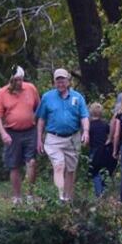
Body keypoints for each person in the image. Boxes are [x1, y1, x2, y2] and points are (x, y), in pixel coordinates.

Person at [36, 68, 91, 203]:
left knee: (71, 169)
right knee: (59, 165)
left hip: (73, 137)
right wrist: (39, 139)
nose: (60, 83)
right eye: (57, 81)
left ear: (68, 81)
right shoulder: (47, 97)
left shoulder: (78, 98)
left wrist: (86, 132)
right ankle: (60, 197)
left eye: (63, 80)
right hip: (53, 138)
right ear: (54, 82)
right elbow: (41, 119)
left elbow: (84, 117)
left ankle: (68, 199)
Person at [0, 66, 41, 204]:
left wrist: (39, 128)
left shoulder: (31, 89)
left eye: (21, 79)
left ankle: (29, 195)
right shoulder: (2, 93)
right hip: (12, 132)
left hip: (30, 130)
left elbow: (39, 108)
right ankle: (17, 196)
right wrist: (3, 133)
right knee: (14, 165)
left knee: (31, 162)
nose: (19, 83)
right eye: (16, 80)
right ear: (11, 80)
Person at [87, 102, 116, 198]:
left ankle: (98, 193)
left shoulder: (89, 126)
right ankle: (104, 192)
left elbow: (87, 140)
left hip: (94, 151)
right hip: (104, 151)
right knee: (104, 172)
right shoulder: (104, 125)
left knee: (95, 173)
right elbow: (111, 132)